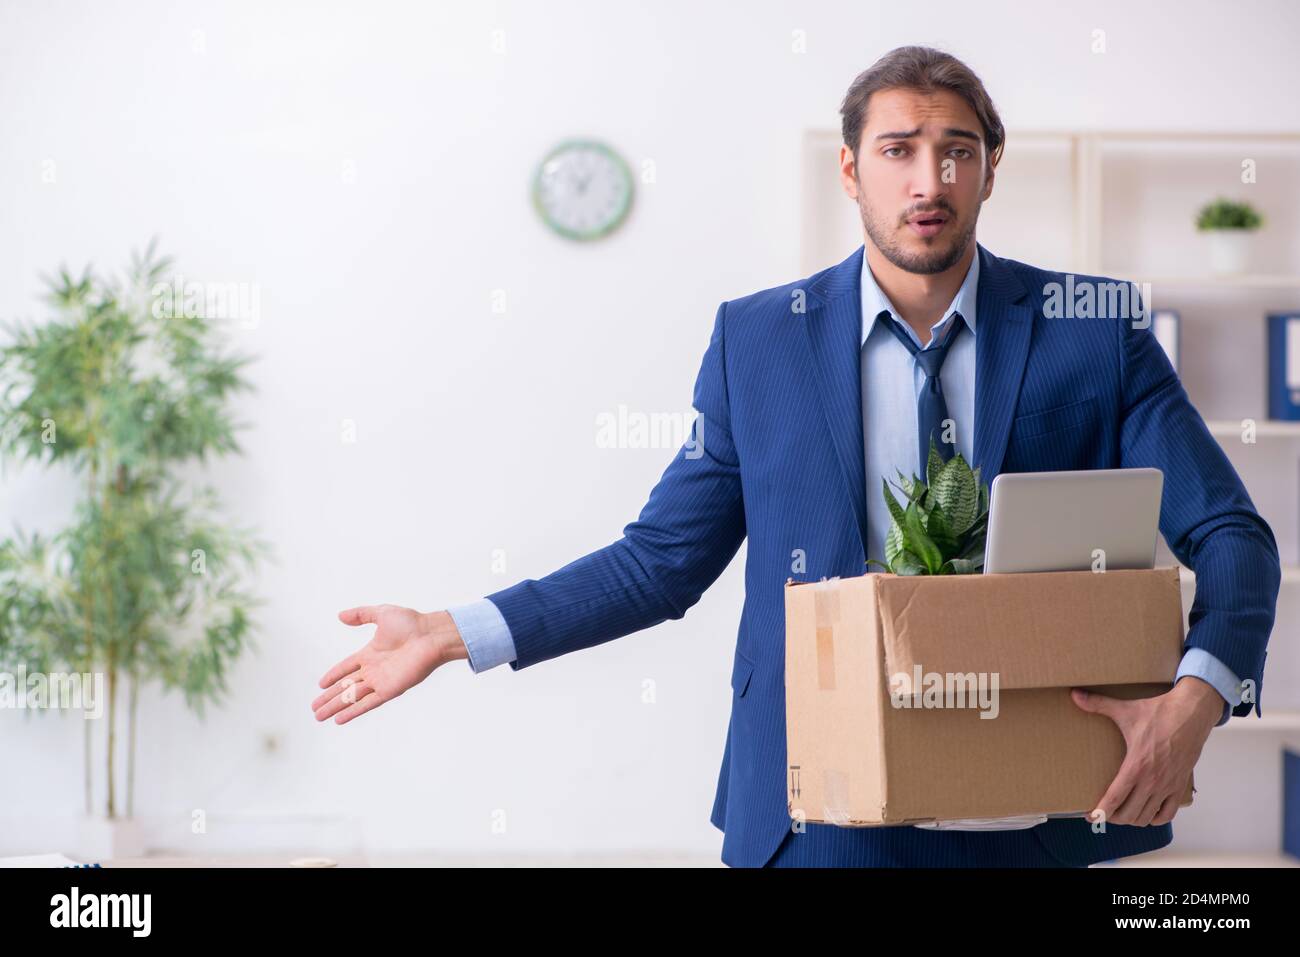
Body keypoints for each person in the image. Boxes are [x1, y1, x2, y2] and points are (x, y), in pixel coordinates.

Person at [311, 45, 1279, 868]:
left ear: (990, 170)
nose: (927, 182)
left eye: (956, 153)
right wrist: (455, 630)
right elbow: (660, 562)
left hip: (1040, 804)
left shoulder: (1092, 330)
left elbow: (1232, 534)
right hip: (819, 813)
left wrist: (1196, 700)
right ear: (852, 172)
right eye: (898, 151)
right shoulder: (757, 342)